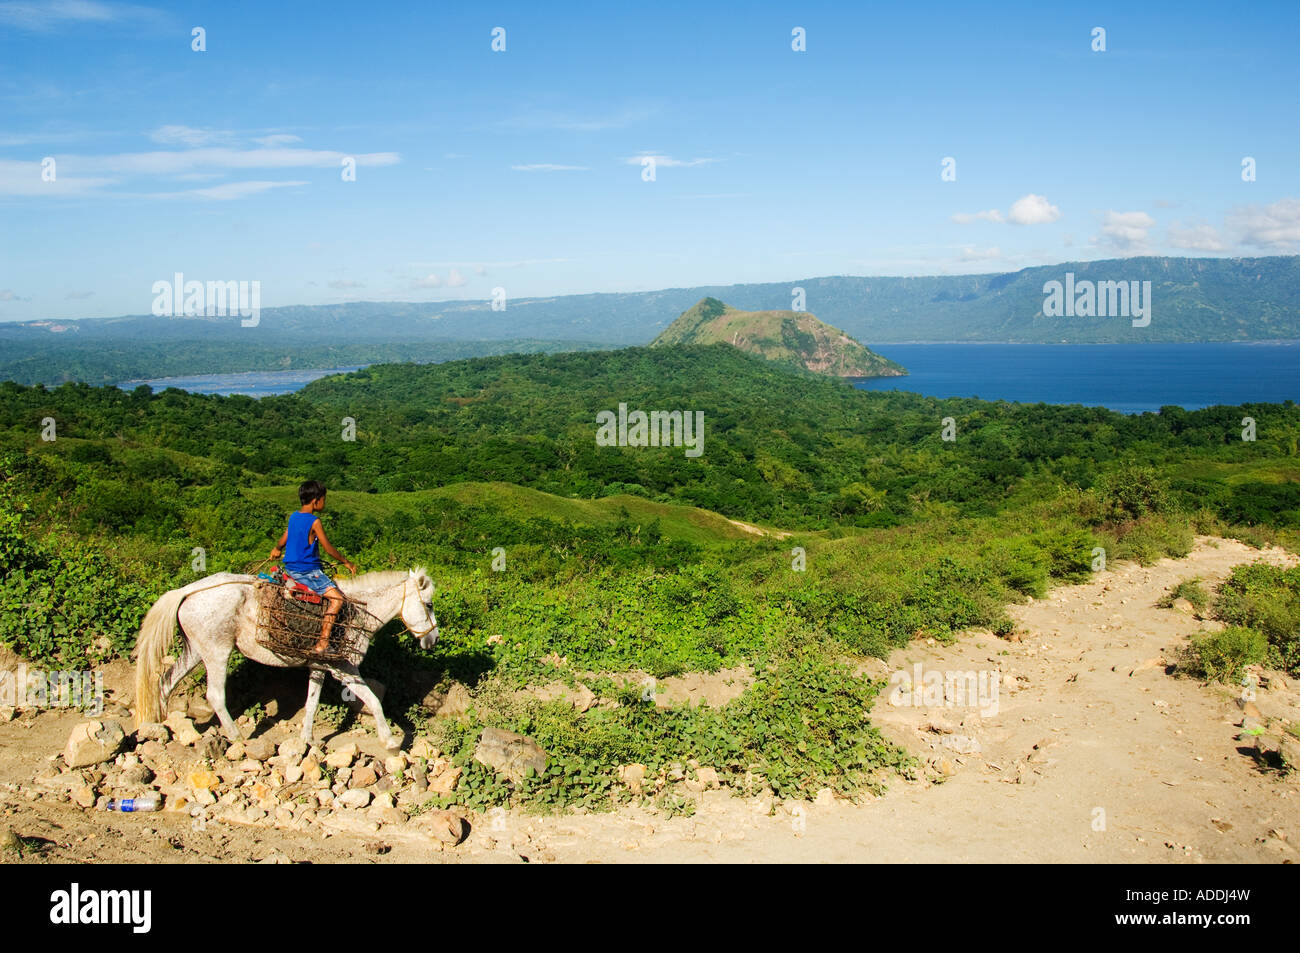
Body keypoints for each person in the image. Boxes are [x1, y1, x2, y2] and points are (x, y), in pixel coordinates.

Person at [268, 480, 357, 654]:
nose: (325, 502)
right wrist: (346, 562)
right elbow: (329, 548)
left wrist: (277, 548)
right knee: (338, 599)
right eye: (324, 499)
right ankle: (323, 643)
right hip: (307, 571)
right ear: (316, 500)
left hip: (291, 568)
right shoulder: (314, 521)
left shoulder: (294, 516)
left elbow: (285, 537)